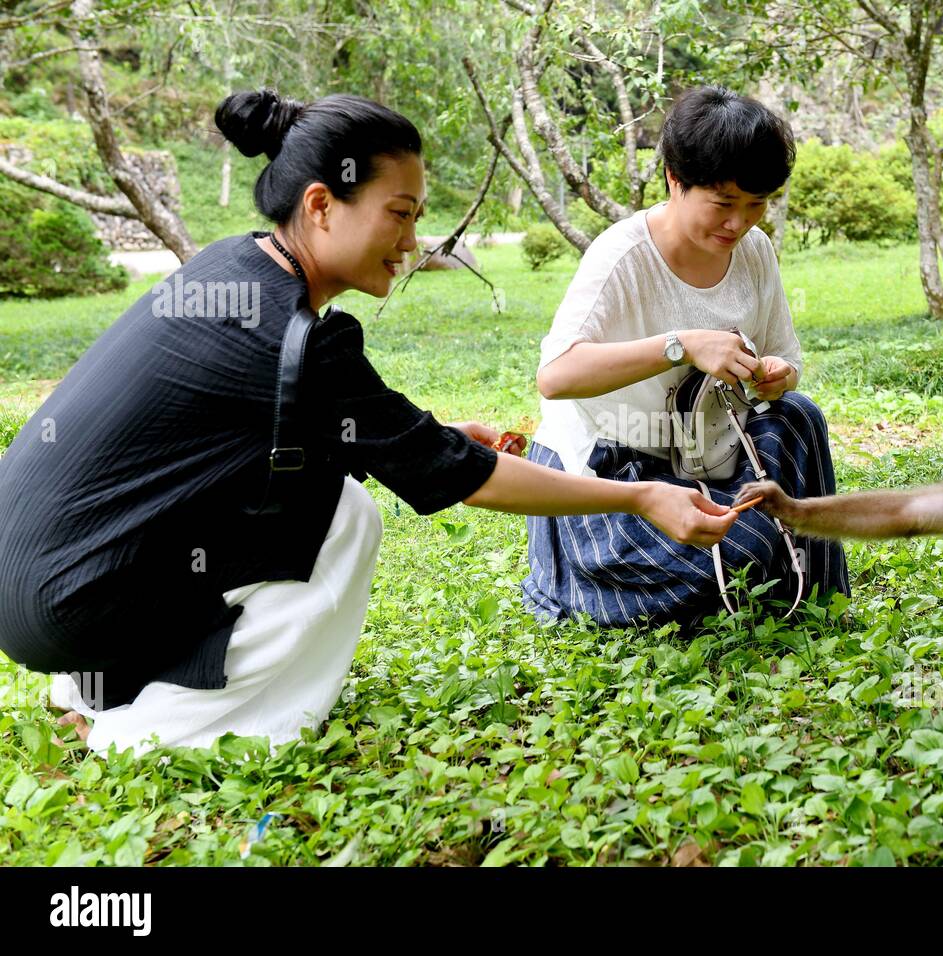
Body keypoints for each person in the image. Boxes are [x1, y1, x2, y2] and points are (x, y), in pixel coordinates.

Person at [0, 89, 737, 757]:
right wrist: (640, 497)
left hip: (33, 590)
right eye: (400, 214)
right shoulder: (303, 340)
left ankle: (95, 692)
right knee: (344, 521)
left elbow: (331, 435)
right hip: (70, 606)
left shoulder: (227, 269)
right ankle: (145, 734)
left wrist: (436, 437)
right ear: (321, 206)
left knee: (318, 492)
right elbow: (460, 479)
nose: (413, 242)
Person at [523, 85, 849, 625]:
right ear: (675, 180)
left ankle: (813, 593)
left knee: (800, 418)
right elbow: (556, 377)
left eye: (756, 204)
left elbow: (785, 356)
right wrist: (681, 345)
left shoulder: (755, 251)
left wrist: (777, 376)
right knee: (737, 553)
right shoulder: (622, 257)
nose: (738, 223)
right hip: (617, 471)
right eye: (723, 203)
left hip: (710, 454)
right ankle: (580, 577)